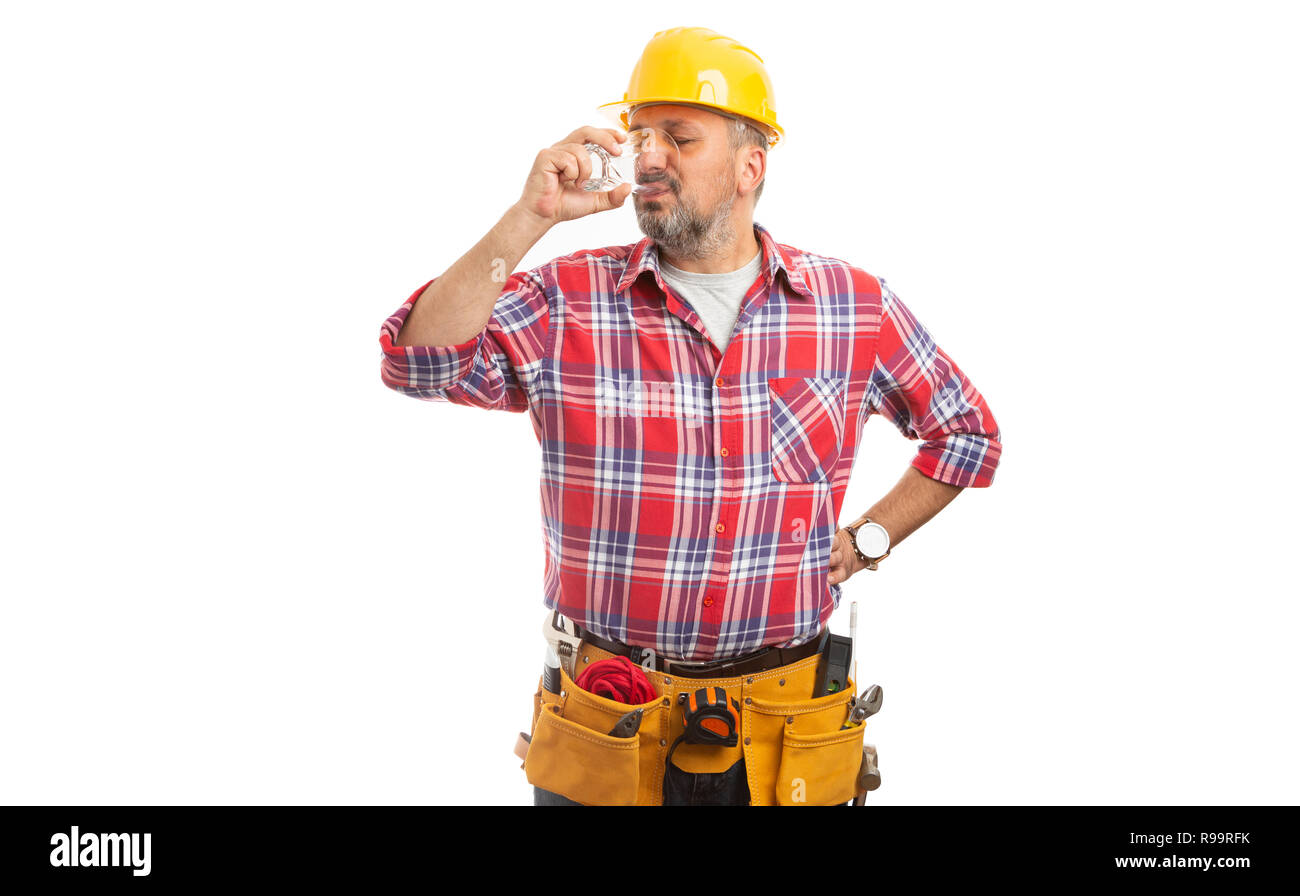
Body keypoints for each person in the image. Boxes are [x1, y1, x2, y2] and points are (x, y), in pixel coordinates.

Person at [378, 27, 1002, 806]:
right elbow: (416, 361)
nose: (648, 157)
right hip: (607, 724)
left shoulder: (851, 308)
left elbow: (968, 434)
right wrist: (527, 218)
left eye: (679, 137)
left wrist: (867, 539)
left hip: (783, 738)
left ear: (752, 165)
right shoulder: (568, 301)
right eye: (641, 135)